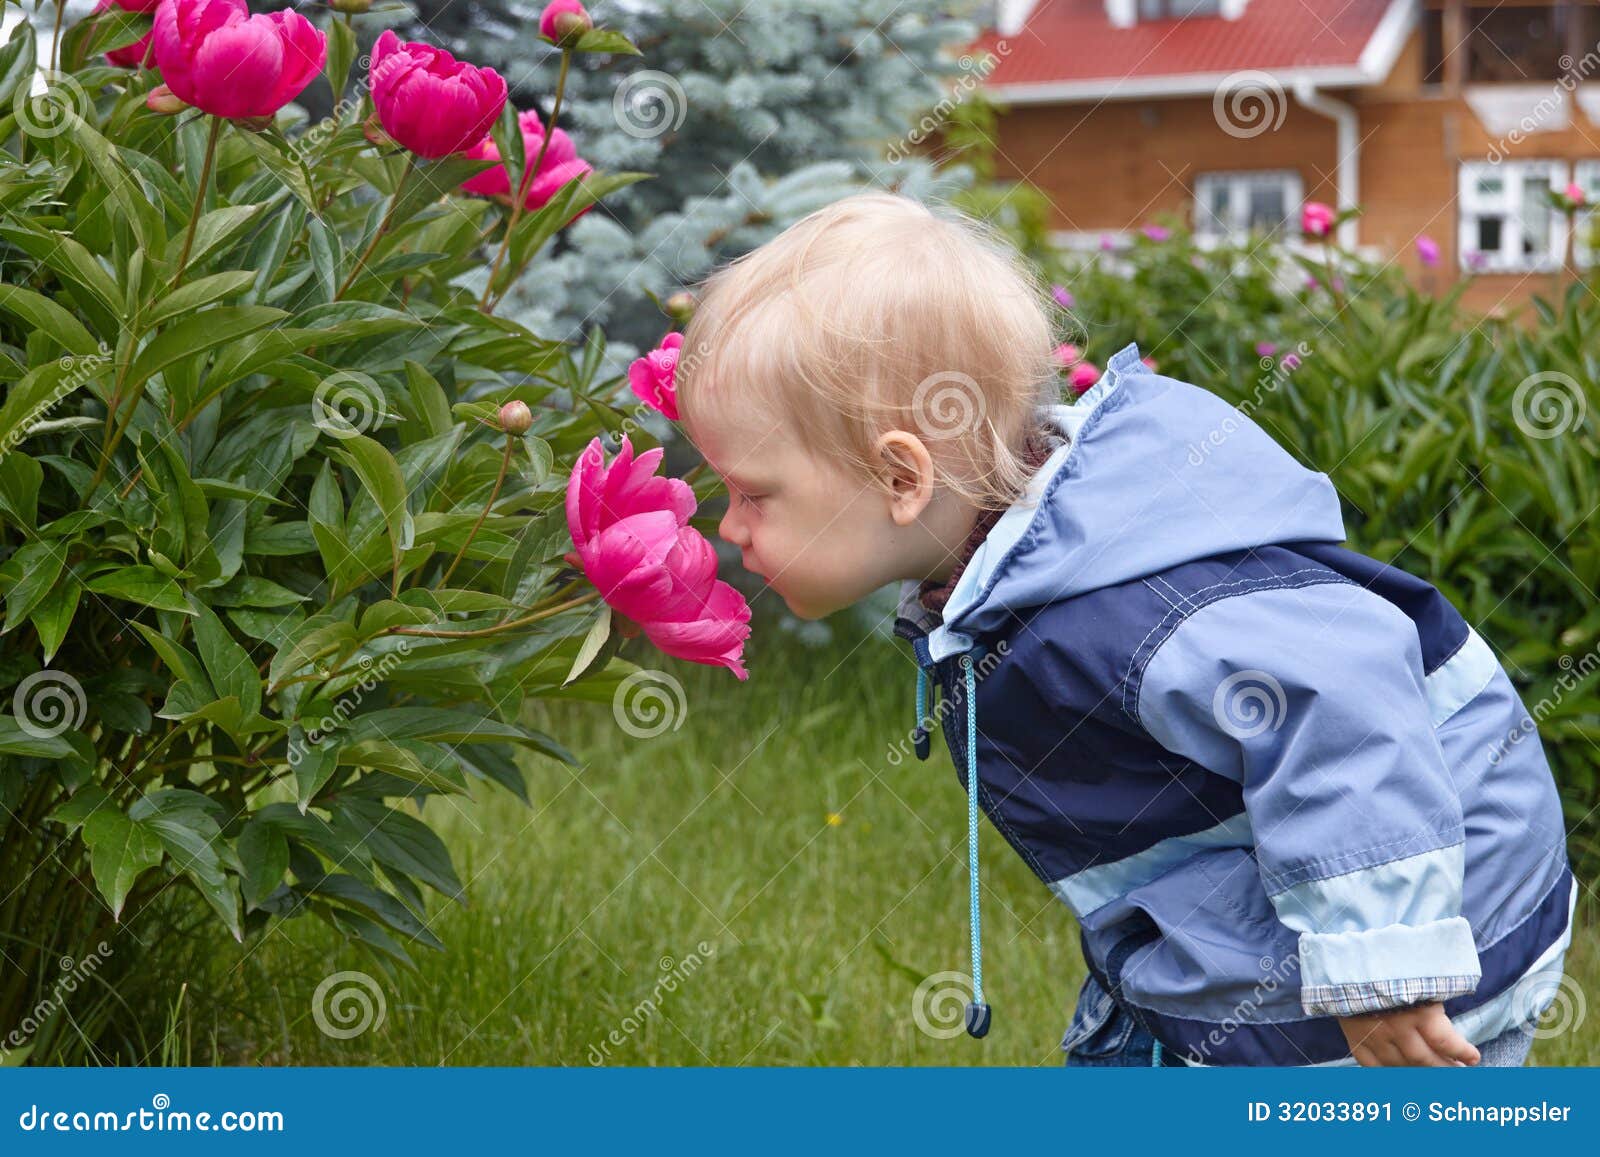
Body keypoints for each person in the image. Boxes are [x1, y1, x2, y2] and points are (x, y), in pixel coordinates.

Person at [673, 191, 1576, 1067]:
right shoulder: (1022, 579)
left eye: (755, 492)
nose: (729, 525)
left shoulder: (1131, 611)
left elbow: (1344, 699)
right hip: (1292, 921)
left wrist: (1389, 965)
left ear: (902, 477)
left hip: (1423, 952)